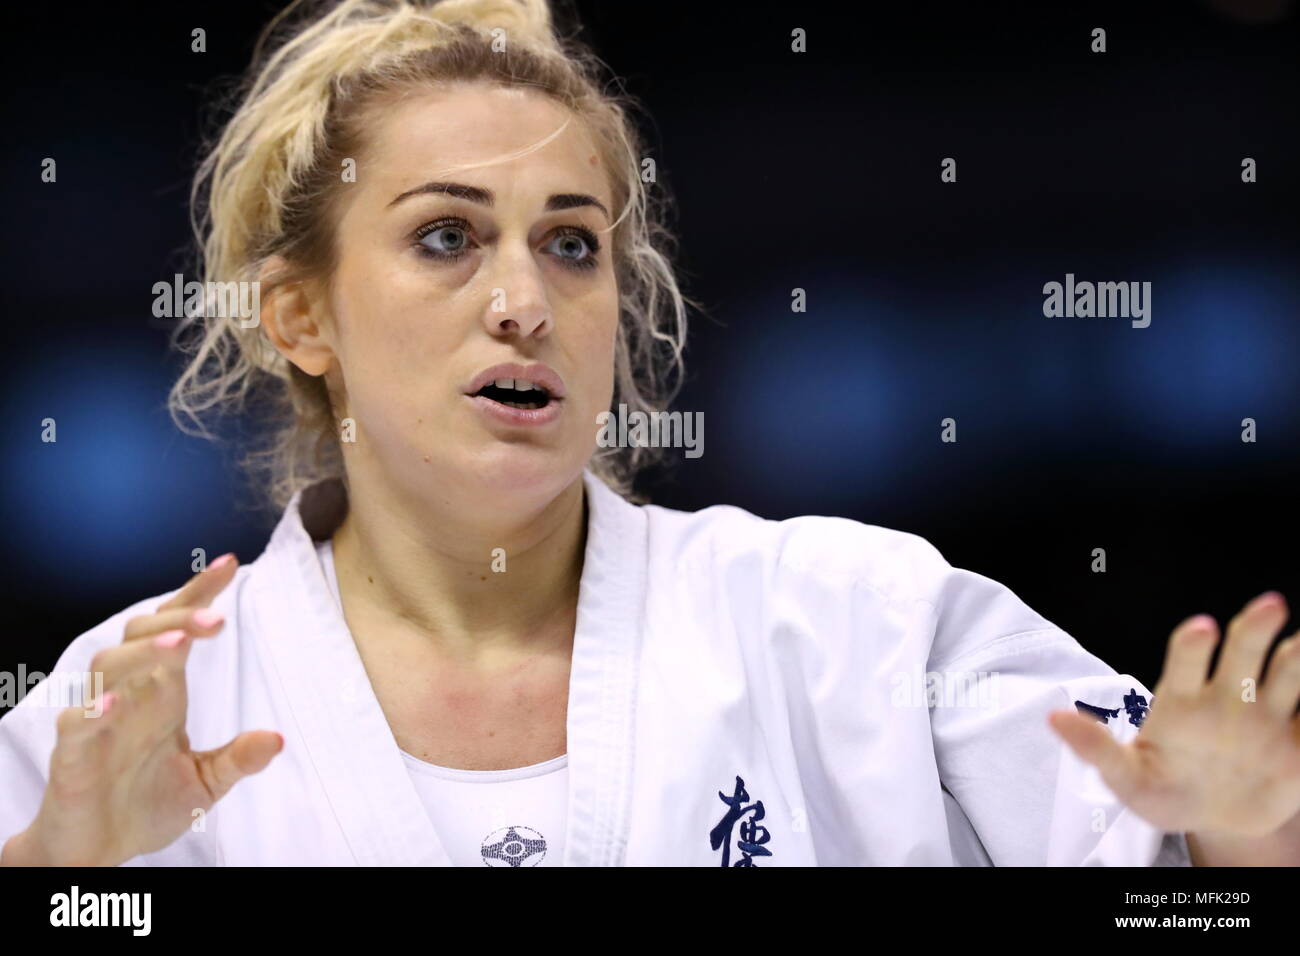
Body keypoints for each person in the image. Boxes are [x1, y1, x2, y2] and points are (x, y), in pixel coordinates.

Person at [2, 0, 1298, 867]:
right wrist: (64, 880)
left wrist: (1243, 842)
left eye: (572, 244)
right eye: (446, 238)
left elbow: (1187, 888)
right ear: (301, 317)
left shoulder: (865, 624)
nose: (524, 303)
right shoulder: (125, 714)